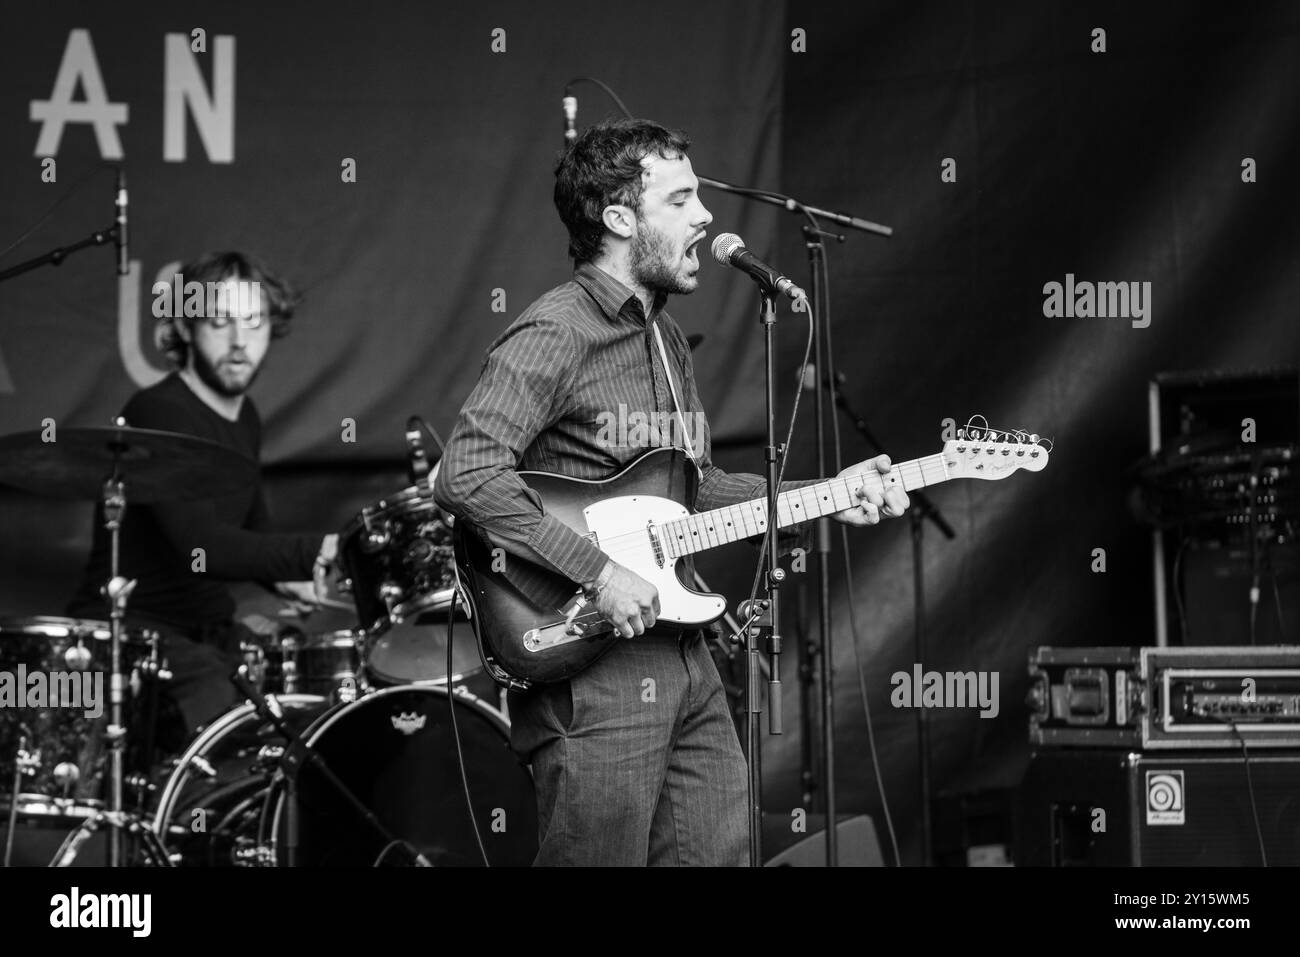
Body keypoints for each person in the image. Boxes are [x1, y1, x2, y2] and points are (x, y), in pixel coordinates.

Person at [433, 119, 910, 866]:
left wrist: (826, 493)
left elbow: (696, 489)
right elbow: (467, 472)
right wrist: (598, 570)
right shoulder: (557, 331)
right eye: (681, 198)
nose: (706, 216)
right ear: (619, 218)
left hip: (686, 656)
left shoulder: (666, 337)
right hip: (592, 662)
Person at [67, 251, 337, 748]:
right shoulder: (158, 410)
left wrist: (289, 581)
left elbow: (252, 532)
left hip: (206, 629)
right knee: (222, 706)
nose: (240, 342)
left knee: (310, 696)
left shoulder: (245, 414)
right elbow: (202, 549)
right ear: (186, 329)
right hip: (137, 632)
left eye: (253, 322)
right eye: (220, 322)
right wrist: (316, 548)